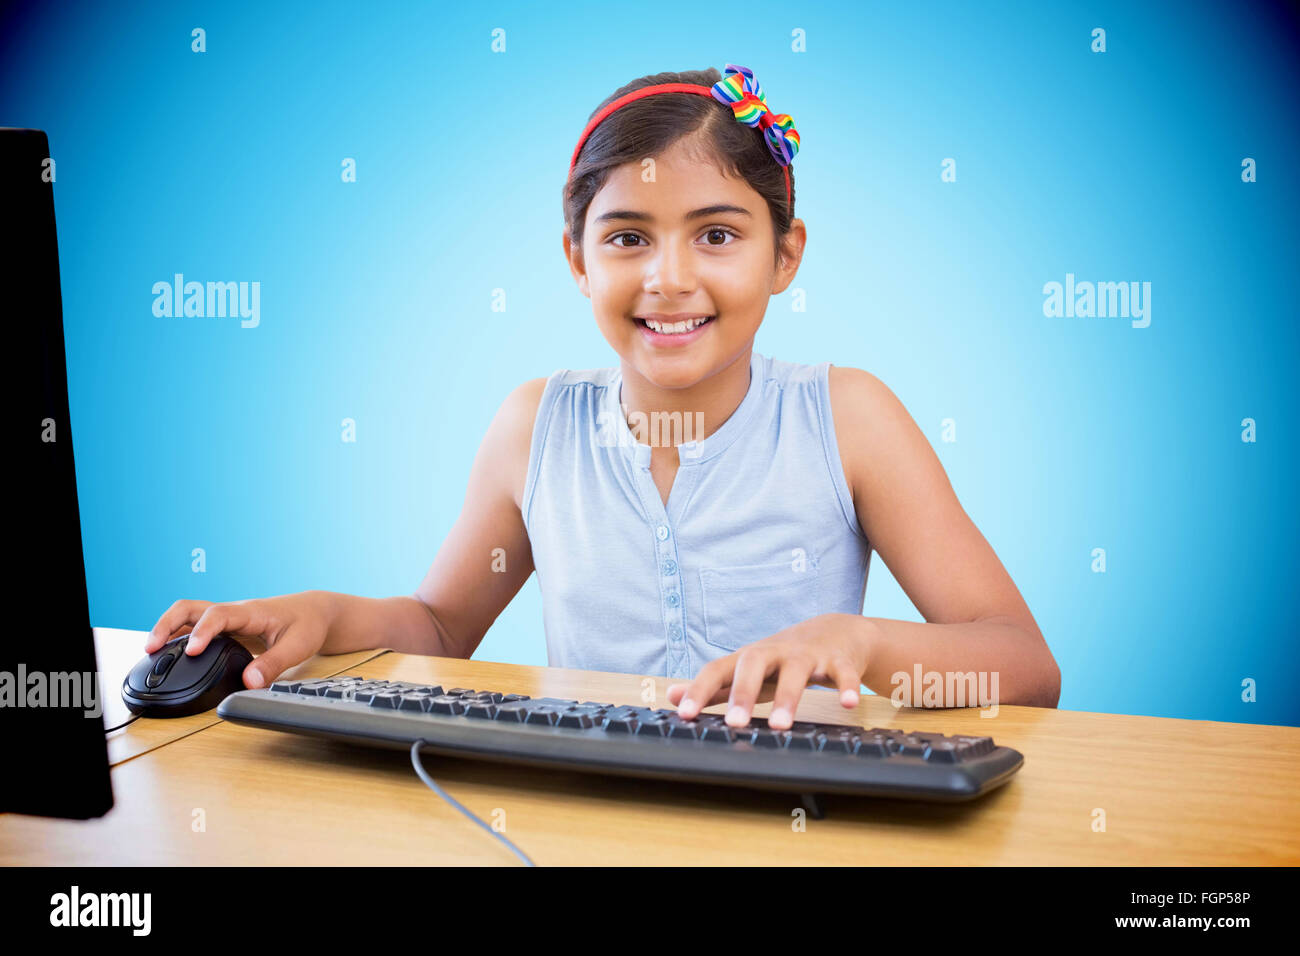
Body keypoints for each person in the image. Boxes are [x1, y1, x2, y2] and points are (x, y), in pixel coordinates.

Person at [146, 64, 1060, 731]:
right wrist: (322, 617)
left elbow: (1025, 663)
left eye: (716, 234)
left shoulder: (847, 419)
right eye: (627, 237)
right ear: (578, 261)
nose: (668, 278)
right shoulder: (535, 427)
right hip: (583, 815)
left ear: (785, 256)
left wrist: (858, 644)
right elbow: (437, 627)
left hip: (797, 822)